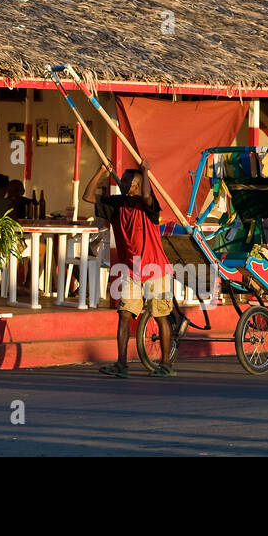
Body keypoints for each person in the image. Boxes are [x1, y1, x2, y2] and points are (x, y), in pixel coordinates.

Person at [85, 160, 174, 378]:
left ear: (137, 184)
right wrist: (101, 172)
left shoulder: (149, 205)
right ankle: (121, 363)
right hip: (130, 270)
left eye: (127, 180)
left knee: (160, 316)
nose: (123, 182)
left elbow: (146, 196)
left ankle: (165, 363)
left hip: (156, 269)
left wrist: (145, 172)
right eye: (122, 179)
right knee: (124, 315)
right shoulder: (116, 204)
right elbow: (87, 197)